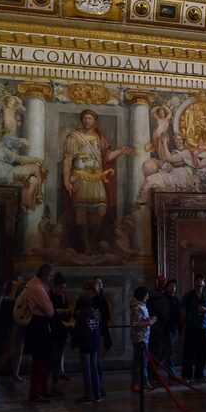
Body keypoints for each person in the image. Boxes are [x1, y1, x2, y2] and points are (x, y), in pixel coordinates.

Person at [62, 109, 131, 254]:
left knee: (100, 211)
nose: (87, 120)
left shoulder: (100, 137)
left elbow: (106, 156)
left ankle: (92, 241)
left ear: (95, 120)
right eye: (85, 118)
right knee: (81, 211)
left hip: (97, 179)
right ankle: (85, 245)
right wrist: (66, 180)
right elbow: (67, 161)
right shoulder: (74, 137)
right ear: (82, 120)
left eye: (90, 118)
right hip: (80, 177)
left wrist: (120, 151)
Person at [20, 264, 54, 402]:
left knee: (42, 360)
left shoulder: (33, 285)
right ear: (45, 274)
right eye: (50, 276)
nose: (50, 279)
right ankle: (36, 392)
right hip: (39, 325)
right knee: (40, 360)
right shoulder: (36, 288)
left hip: (37, 325)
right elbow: (50, 311)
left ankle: (40, 391)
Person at [0, 278, 26, 382]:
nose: (16, 287)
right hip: (10, 327)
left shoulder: (19, 298)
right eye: (13, 285)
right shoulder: (5, 298)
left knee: (19, 350)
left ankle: (15, 374)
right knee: (10, 350)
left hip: (19, 325)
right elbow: (9, 302)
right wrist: (16, 288)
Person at [181, 274, 206, 382]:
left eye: (202, 280)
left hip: (203, 328)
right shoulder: (188, 295)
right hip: (191, 327)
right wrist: (184, 325)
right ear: (194, 282)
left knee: (202, 353)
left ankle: (199, 374)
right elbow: (183, 311)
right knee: (188, 353)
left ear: (204, 283)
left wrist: (205, 310)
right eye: (197, 279)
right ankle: (186, 375)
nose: (199, 281)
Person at [73, 295, 103, 403]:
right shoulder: (97, 314)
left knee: (87, 370)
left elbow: (78, 332)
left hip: (85, 345)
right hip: (95, 344)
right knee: (94, 369)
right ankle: (98, 394)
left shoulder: (82, 316)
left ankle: (88, 395)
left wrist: (74, 343)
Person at [130, 286, 156, 392]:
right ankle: (136, 383)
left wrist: (148, 320)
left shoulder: (143, 306)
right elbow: (135, 324)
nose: (148, 296)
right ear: (144, 296)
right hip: (139, 339)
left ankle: (145, 382)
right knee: (138, 363)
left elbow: (142, 319)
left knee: (144, 362)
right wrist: (149, 322)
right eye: (147, 294)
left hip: (145, 337)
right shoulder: (137, 307)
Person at [49, 272, 71, 395]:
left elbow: (66, 311)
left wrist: (64, 311)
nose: (62, 290)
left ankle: (55, 385)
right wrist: (61, 311)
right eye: (60, 288)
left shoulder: (63, 297)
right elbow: (50, 311)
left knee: (58, 359)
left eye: (64, 288)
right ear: (55, 286)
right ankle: (52, 385)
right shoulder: (49, 296)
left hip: (62, 330)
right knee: (52, 359)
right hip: (52, 331)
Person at [159, 279, 182, 375]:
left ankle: (157, 365)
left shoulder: (176, 299)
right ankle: (171, 371)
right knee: (169, 349)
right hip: (165, 327)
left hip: (173, 327)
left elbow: (179, 314)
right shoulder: (162, 298)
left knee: (166, 349)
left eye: (174, 286)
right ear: (167, 287)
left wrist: (180, 328)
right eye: (171, 286)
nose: (173, 288)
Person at [146, 274, 167, 363]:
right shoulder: (153, 296)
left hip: (161, 327)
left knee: (158, 351)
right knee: (154, 350)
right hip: (155, 327)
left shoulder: (163, 296)